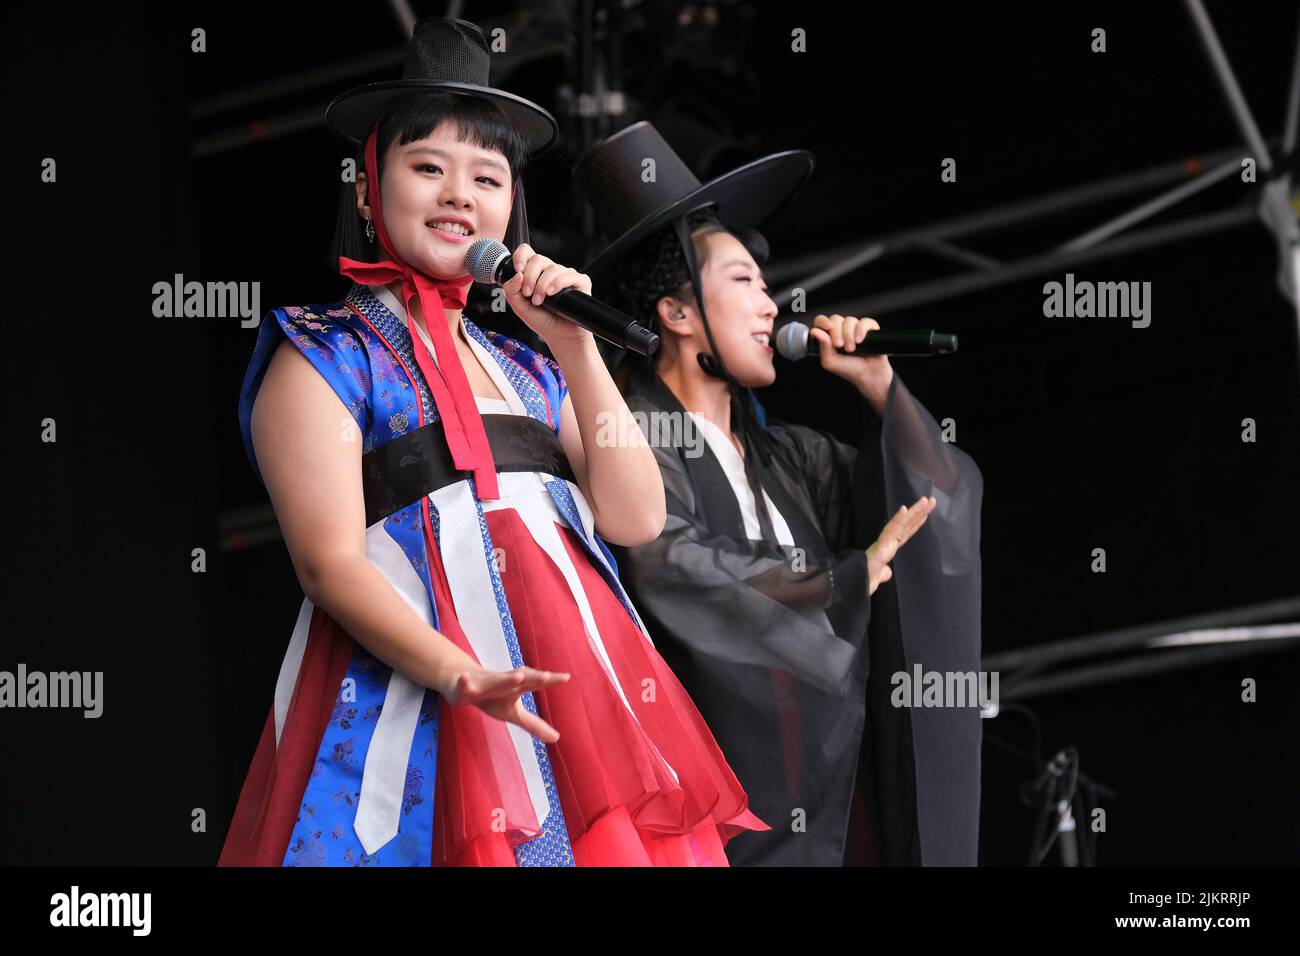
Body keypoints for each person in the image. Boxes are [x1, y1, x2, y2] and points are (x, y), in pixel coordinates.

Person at [218, 19, 765, 868]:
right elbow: (328, 564)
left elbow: (635, 514)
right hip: (416, 695)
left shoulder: (534, 366)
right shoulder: (323, 352)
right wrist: (460, 674)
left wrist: (576, 347)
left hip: (575, 704)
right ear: (368, 191)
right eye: (427, 167)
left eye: (488, 177)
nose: (459, 195)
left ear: (511, 209)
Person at [574, 121, 985, 865]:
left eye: (767, 287)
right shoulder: (628, 439)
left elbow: (933, 503)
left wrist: (879, 386)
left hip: (818, 807)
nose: (772, 306)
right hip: (696, 815)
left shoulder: (788, 457)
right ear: (676, 312)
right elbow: (666, 564)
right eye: (743, 284)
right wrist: (840, 580)